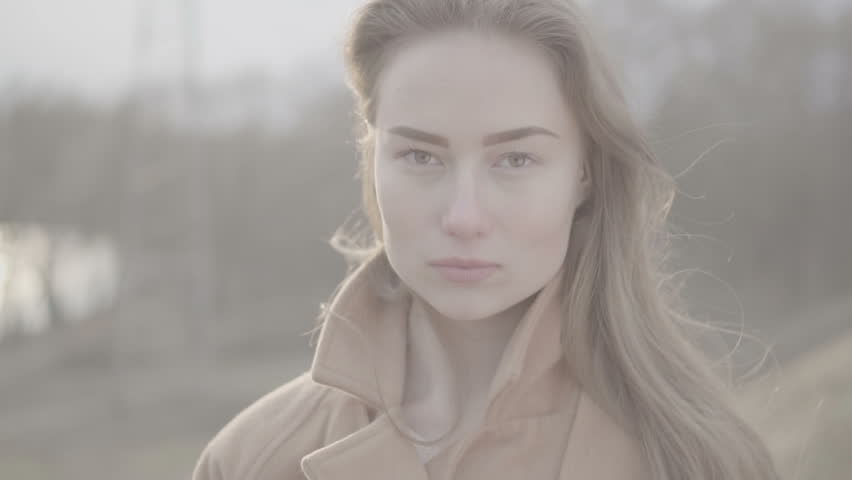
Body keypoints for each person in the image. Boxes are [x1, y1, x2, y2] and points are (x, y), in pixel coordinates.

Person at [192, 0, 780, 479]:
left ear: (585, 173)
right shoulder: (249, 461)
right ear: (373, 162)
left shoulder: (696, 461)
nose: (464, 216)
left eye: (515, 159)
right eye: (420, 155)